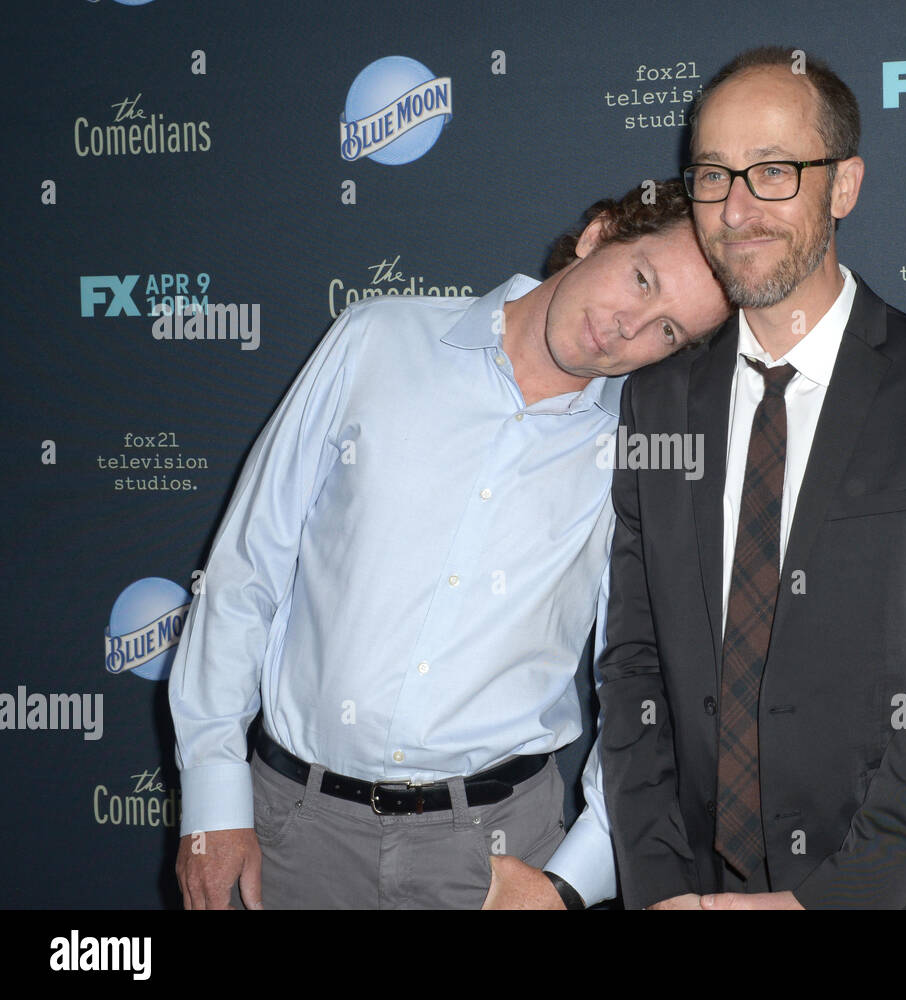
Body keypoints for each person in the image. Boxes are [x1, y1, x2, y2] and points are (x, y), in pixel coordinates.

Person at [169, 179, 730, 910]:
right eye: (641, 279)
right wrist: (215, 801)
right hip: (290, 836)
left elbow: (639, 679)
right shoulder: (377, 339)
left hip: (496, 858)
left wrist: (572, 879)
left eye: (666, 331)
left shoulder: (640, 450)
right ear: (599, 234)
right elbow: (248, 567)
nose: (629, 328)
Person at [597, 48, 906, 909]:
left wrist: (825, 902)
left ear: (844, 187)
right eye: (715, 175)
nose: (737, 207)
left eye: (774, 171)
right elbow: (634, 666)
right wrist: (655, 887)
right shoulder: (656, 399)